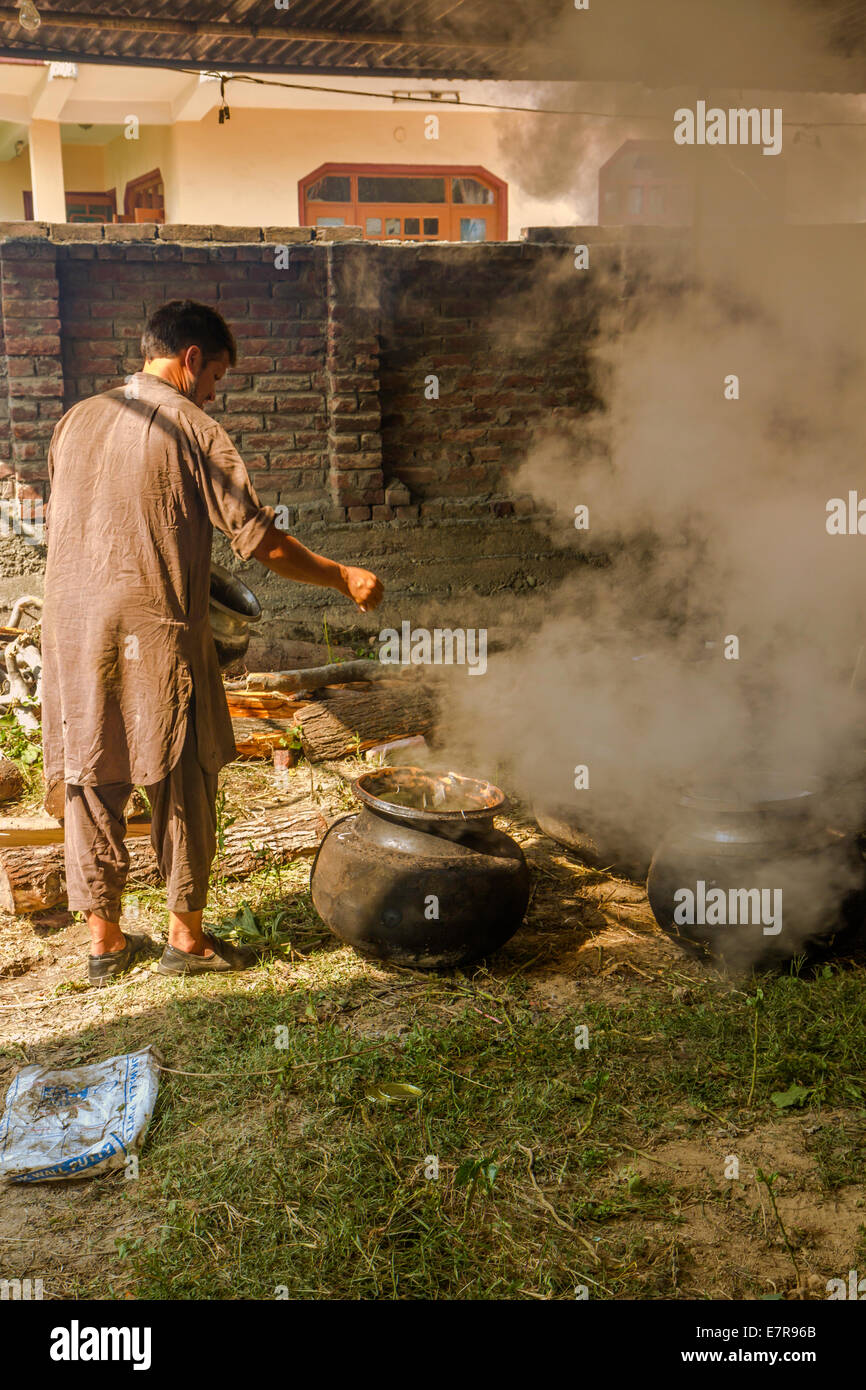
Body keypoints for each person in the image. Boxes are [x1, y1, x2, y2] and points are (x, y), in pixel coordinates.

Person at [41, 299, 383, 985]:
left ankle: (104, 943)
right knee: (184, 771)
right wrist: (342, 576)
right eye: (218, 377)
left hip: (69, 630)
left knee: (89, 771)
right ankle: (185, 940)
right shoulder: (194, 426)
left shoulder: (75, 420)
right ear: (192, 359)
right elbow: (261, 542)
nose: (216, 391)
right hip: (155, 627)